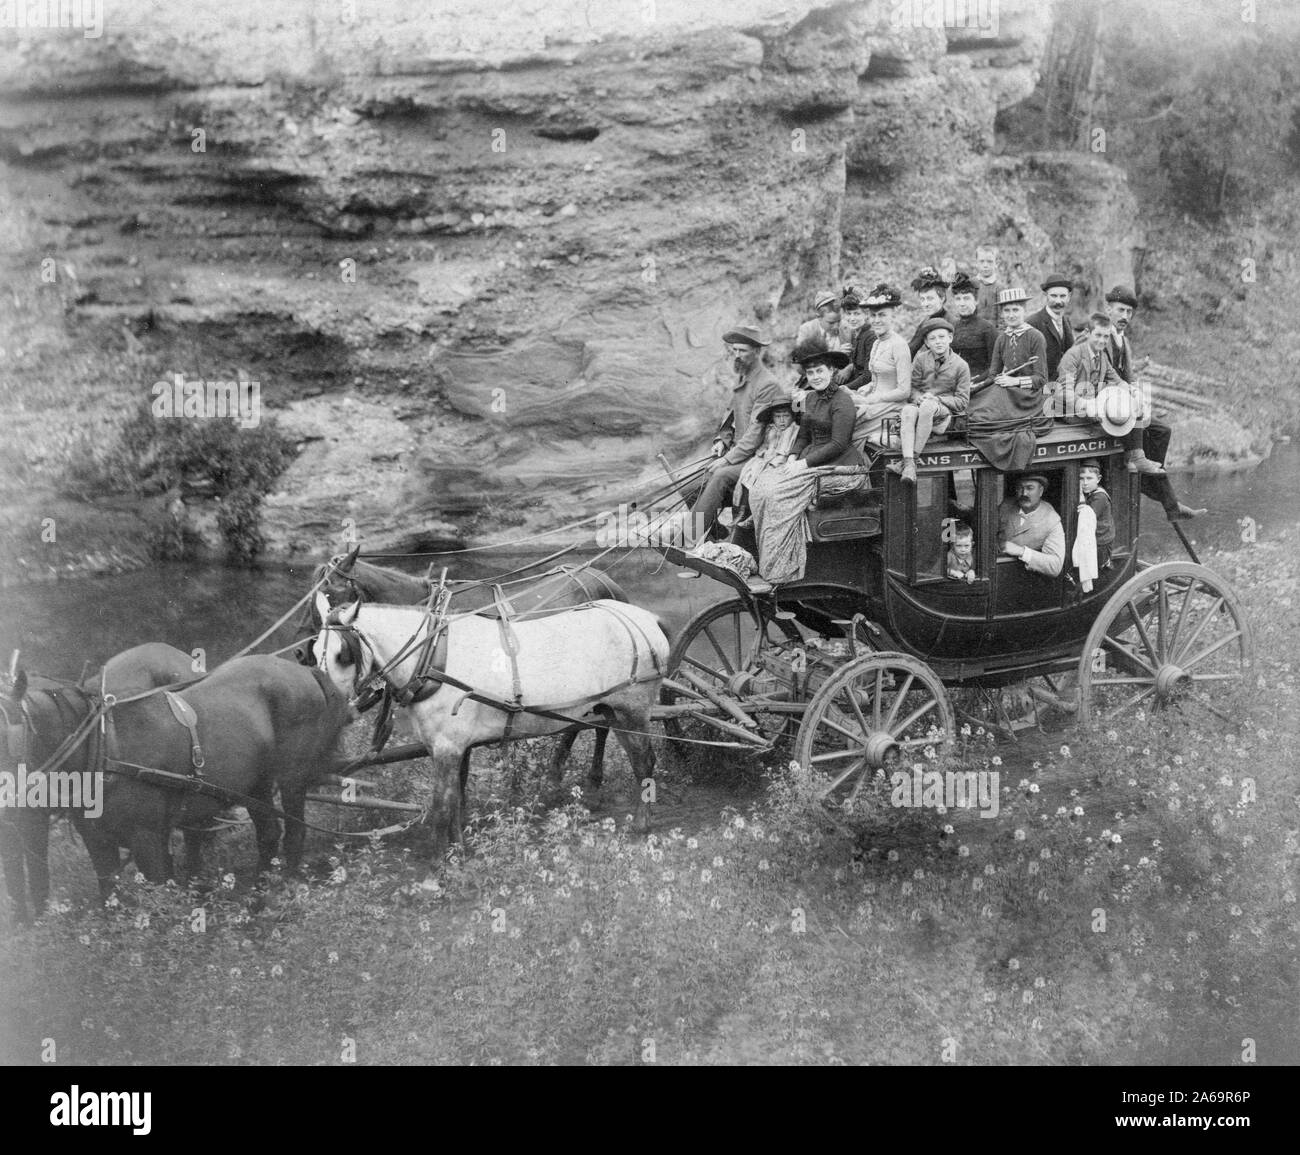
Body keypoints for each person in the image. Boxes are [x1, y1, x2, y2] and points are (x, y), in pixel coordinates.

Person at [749, 336, 868, 585]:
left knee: (779, 495)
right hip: (811, 460)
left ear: (832, 371)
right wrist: (792, 456)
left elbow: (839, 444)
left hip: (843, 466)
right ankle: (764, 559)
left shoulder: (843, 401)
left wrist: (802, 464)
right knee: (761, 487)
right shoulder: (809, 399)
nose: (815, 377)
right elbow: (803, 434)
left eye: (820, 371)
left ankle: (780, 570)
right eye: (811, 372)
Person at [1104, 285, 1206, 521]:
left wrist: (1137, 393)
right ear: (1109, 309)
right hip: (1103, 401)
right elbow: (1100, 372)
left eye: (1129, 312)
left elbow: (1129, 375)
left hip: (1121, 401)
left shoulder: (1123, 341)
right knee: (1138, 418)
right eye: (1121, 310)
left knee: (1162, 430)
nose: (1125, 317)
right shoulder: (1099, 335)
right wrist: (1127, 391)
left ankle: (1149, 482)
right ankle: (1167, 500)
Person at [689, 324, 787, 540]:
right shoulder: (743, 378)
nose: (737, 355)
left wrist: (726, 461)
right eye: (735, 350)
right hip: (740, 452)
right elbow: (730, 415)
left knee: (720, 475)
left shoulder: (767, 384)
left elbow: (755, 433)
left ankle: (690, 536)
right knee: (690, 484)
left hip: (760, 456)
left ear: (757, 352)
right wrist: (722, 441)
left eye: (743, 351)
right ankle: (713, 536)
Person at [1056, 313, 1164, 474]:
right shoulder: (1073, 356)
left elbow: (1116, 379)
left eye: (1106, 337)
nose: (1102, 341)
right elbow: (1065, 391)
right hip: (1070, 411)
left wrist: (1134, 393)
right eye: (1098, 335)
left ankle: (1136, 458)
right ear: (1088, 333)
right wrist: (1085, 405)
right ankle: (1134, 458)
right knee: (1118, 412)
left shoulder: (1101, 357)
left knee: (1133, 406)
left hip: (1093, 407)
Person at [966, 287, 1051, 471]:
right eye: (1007, 310)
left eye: (1015, 310)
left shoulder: (1035, 337)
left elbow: (1041, 379)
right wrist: (973, 384)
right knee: (973, 407)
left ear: (1024, 310)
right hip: (1006, 391)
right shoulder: (1002, 338)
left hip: (1028, 397)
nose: (1011, 315)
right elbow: (993, 375)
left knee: (985, 417)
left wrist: (1015, 381)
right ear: (1002, 313)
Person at [887, 317, 970, 484]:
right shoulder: (921, 359)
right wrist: (919, 397)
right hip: (922, 407)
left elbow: (962, 402)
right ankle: (910, 464)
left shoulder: (961, 365)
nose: (938, 342)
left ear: (950, 338)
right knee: (908, 410)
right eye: (932, 339)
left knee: (928, 405)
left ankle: (911, 461)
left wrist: (937, 398)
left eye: (941, 337)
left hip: (946, 416)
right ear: (926, 342)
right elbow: (913, 388)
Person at [850, 284, 912, 447]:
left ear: (893, 316)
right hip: (873, 401)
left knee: (847, 426)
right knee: (843, 405)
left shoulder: (899, 345)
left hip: (891, 408)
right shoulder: (877, 343)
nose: (877, 320)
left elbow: (904, 391)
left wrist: (876, 397)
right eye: (873, 315)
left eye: (882, 315)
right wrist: (868, 387)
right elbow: (878, 378)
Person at [732, 399, 800, 527]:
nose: (781, 420)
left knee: (760, 481)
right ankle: (741, 512)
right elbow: (765, 446)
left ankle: (754, 514)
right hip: (765, 459)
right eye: (777, 416)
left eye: (786, 416)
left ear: (792, 416)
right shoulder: (771, 429)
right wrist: (761, 454)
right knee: (747, 476)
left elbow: (788, 451)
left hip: (780, 462)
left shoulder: (794, 430)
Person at [998, 473, 1064, 577]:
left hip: (1021, 579)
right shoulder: (1006, 506)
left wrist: (1021, 551)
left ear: (1041, 491)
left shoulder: (1052, 520)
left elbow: (1055, 565)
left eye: (1030, 488)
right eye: (1020, 488)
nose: (1024, 493)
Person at [949, 273, 998, 384]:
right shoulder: (951, 327)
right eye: (958, 299)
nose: (962, 303)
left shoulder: (988, 329)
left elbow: (995, 367)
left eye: (966, 298)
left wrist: (976, 381)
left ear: (976, 301)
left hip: (982, 383)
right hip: (955, 383)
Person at [1027, 273, 1076, 381]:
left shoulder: (1066, 321)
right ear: (1045, 296)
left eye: (1062, 296)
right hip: (1043, 387)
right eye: (1053, 296)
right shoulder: (1033, 322)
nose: (1058, 301)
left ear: (1069, 297)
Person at [908, 267, 955, 357]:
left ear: (942, 298)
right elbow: (911, 349)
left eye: (930, 298)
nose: (925, 304)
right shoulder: (926, 323)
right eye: (922, 299)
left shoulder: (952, 322)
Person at [1078, 459, 1114, 569]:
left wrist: (1080, 494)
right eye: (1081, 478)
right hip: (1094, 539)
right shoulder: (1090, 492)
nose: (1085, 483)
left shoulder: (1100, 497)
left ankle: (1104, 563)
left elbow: (1087, 518)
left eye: (1089, 478)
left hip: (1100, 543)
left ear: (1098, 479)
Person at [839, 290, 876, 390]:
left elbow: (868, 376)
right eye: (849, 313)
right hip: (855, 384)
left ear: (866, 314)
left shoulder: (870, 337)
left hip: (866, 389)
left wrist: (844, 388)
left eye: (856, 314)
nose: (852, 318)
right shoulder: (856, 334)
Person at [974, 245, 1001, 324]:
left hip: (993, 332)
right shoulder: (971, 284)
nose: (985, 265)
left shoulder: (999, 287)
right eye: (981, 261)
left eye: (989, 261)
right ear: (976, 263)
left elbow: (1002, 316)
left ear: (996, 263)